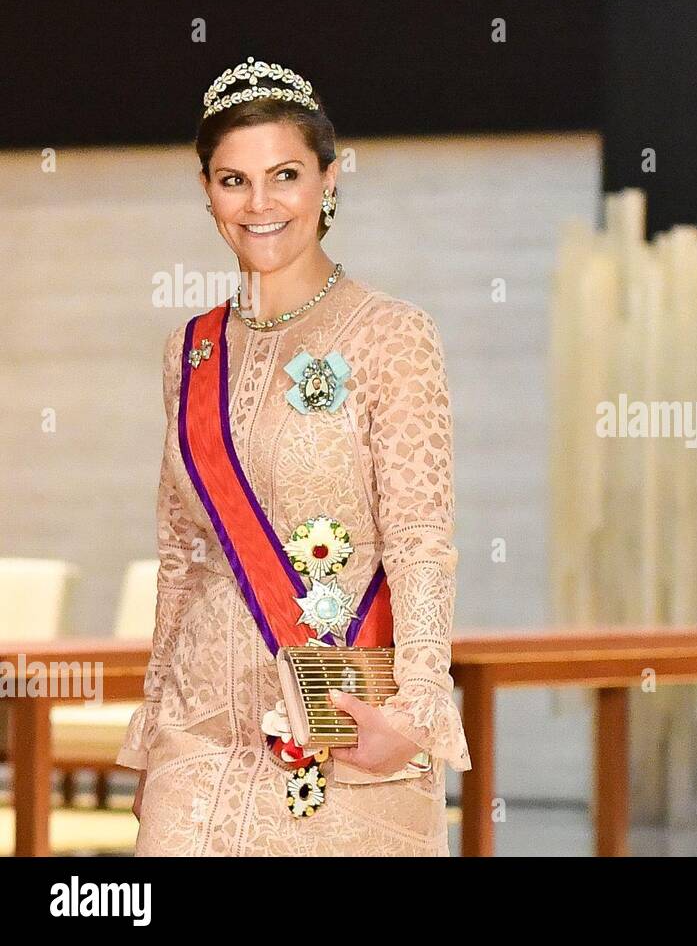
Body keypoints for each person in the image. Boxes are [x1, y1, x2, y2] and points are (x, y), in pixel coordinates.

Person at [116, 58, 471, 855]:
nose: (260, 204)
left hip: (339, 731)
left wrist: (414, 715)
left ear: (329, 179)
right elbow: (182, 555)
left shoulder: (391, 335)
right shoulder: (191, 352)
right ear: (206, 190)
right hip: (198, 740)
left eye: (284, 174)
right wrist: (153, 741)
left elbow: (420, 539)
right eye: (233, 180)